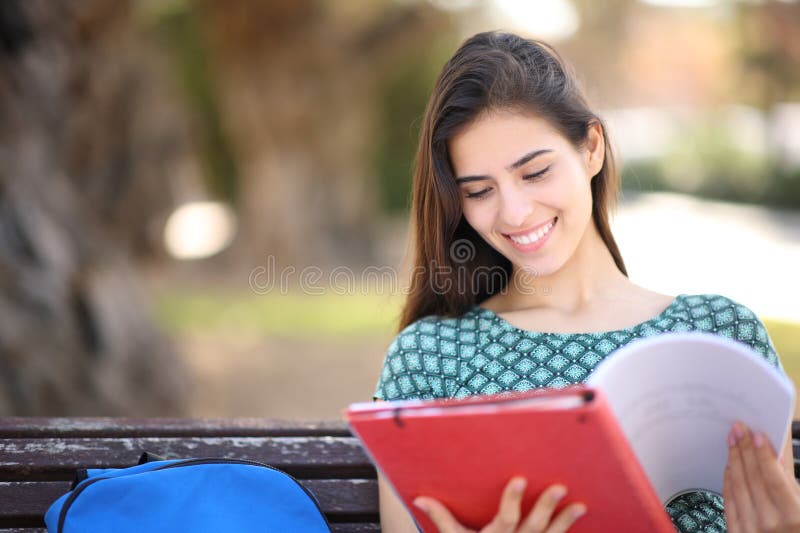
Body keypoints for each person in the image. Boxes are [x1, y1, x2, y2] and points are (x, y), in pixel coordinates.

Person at [371, 31, 800, 533]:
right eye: (480, 190)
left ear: (591, 148)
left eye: (534, 173)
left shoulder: (722, 332)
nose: (514, 211)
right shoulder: (430, 357)